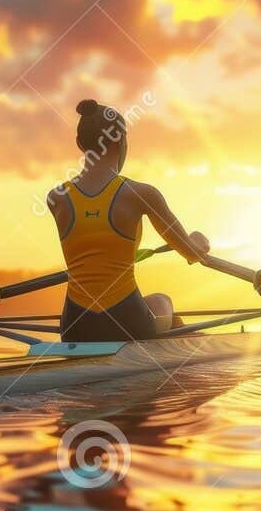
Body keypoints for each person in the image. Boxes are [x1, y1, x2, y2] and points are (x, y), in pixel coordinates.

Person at [46, 99, 210, 342]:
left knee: (148, 304)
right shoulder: (141, 194)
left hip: (74, 326)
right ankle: (197, 352)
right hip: (127, 322)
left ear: (79, 143)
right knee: (162, 301)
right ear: (121, 140)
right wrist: (198, 241)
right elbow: (192, 254)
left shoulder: (56, 198)